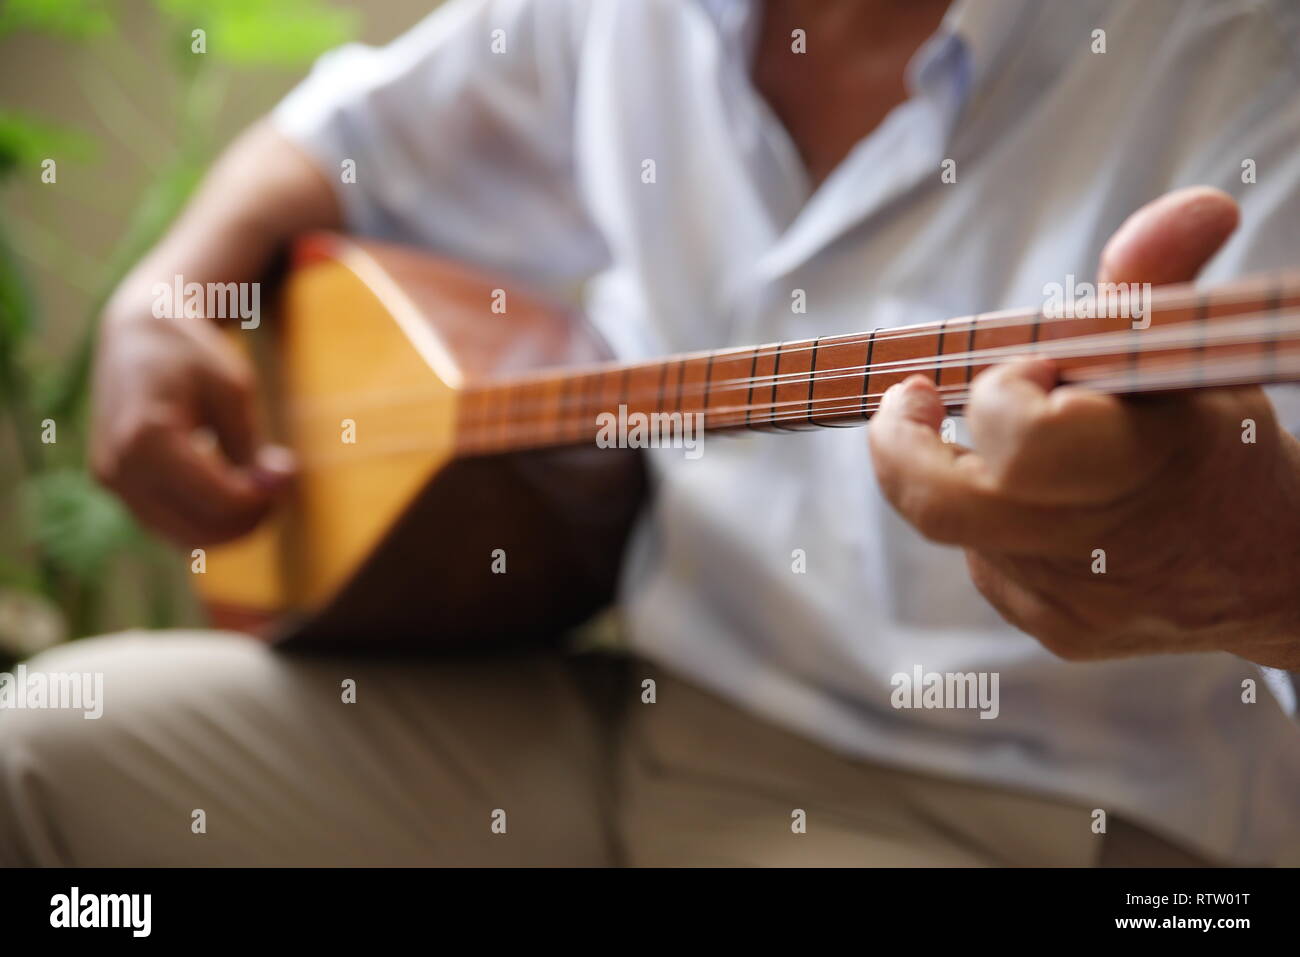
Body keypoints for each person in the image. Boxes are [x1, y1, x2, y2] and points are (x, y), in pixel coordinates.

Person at [2, 0, 1298, 866]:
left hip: (1030, 822)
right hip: (640, 716)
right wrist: (173, 293)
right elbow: (343, 138)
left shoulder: (1246, 58)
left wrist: (1243, 569)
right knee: (40, 759)